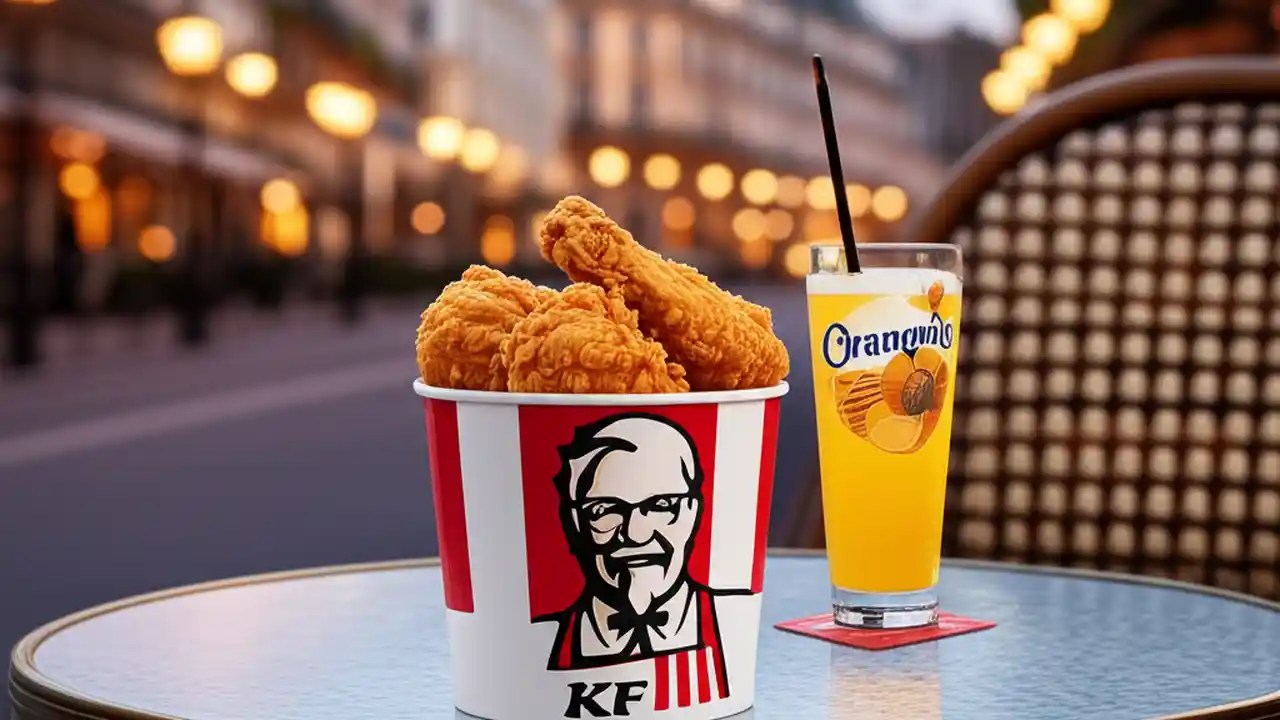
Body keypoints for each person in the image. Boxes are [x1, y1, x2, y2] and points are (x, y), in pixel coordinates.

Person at [540, 413, 729, 680]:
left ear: (693, 513)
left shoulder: (734, 621)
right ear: (576, 523)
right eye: (605, 509)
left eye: (662, 505)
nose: (636, 534)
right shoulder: (531, 641)